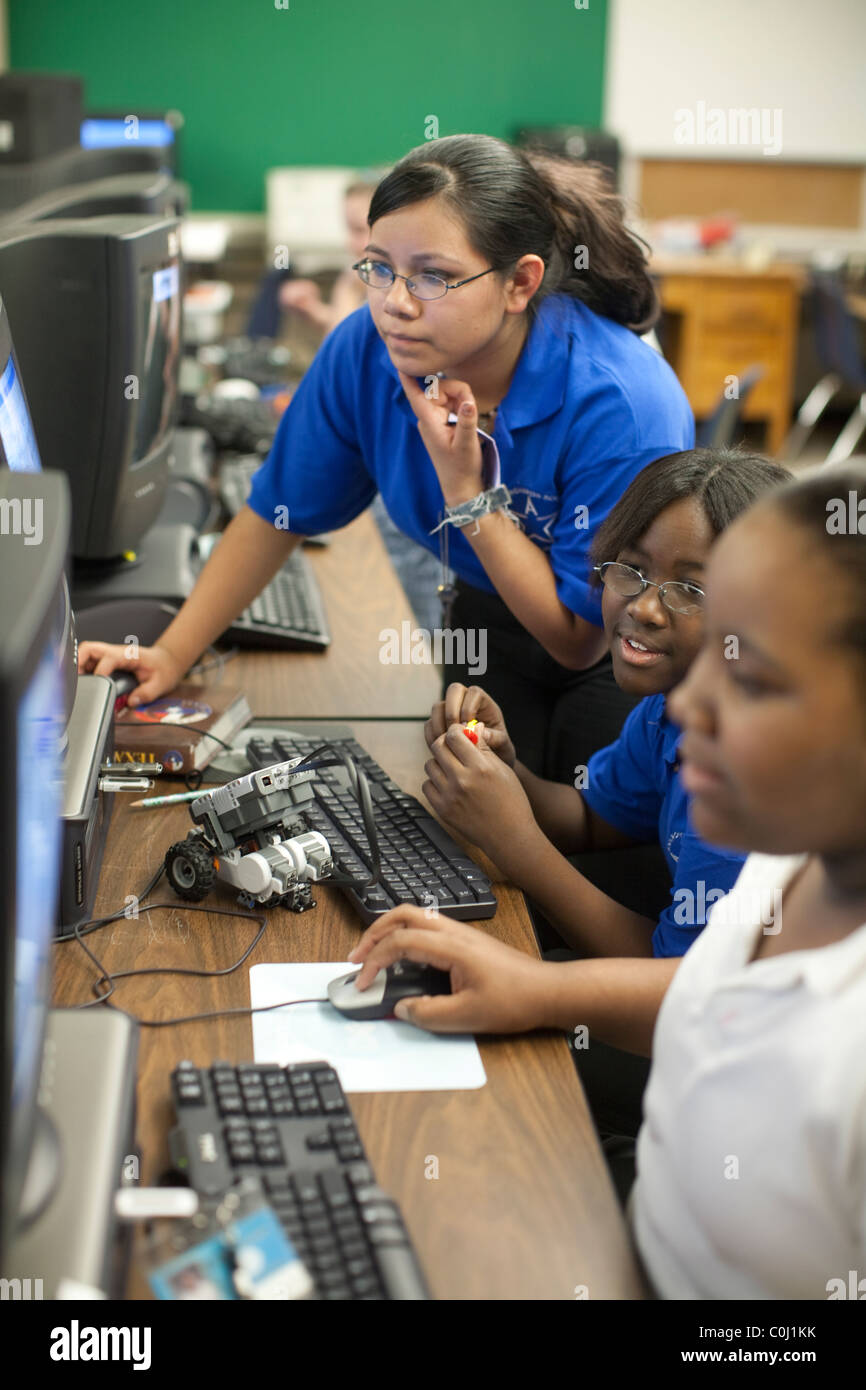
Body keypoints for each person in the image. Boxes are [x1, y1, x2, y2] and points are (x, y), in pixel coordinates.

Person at [346, 461, 866, 1299]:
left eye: (756, 682)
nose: (693, 711)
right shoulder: (791, 861)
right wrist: (535, 983)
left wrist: (522, 858)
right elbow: (703, 986)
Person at [78, 134, 692, 782]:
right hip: (489, 616)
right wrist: (171, 654)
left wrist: (466, 493)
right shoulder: (368, 351)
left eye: (433, 275)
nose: (395, 302)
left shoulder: (620, 405)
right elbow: (276, 512)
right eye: (378, 267)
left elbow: (578, 636)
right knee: (477, 833)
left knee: (578, 855)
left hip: (622, 663)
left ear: (520, 283)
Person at [421, 446, 790, 1152]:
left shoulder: (747, 784)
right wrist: (508, 772)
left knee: (501, 1040)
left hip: (747, 1080)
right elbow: (592, 819)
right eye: (634, 569)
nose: (644, 606)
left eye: (693, 588)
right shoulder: (672, 708)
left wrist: (517, 845)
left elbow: (678, 996)